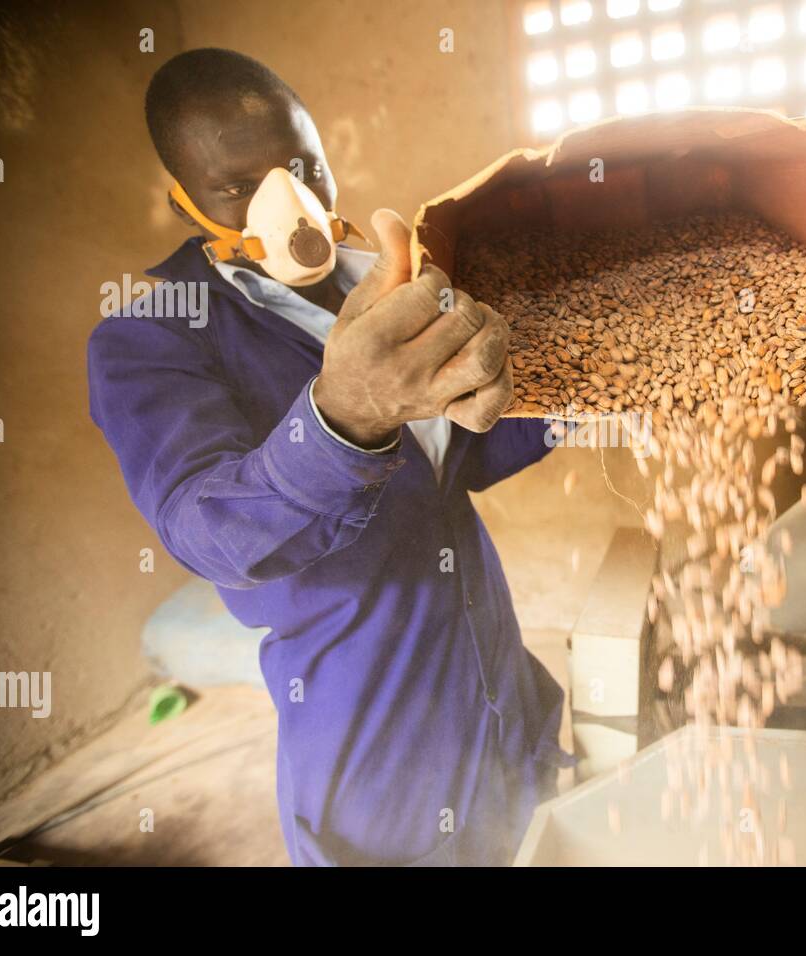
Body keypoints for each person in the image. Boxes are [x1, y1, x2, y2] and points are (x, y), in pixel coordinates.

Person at [88, 48, 569, 866]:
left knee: (532, 836)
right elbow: (214, 533)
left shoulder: (393, 283)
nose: (289, 200)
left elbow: (459, 458)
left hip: (492, 660)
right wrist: (346, 414)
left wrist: (588, 395)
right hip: (365, 700)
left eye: (302, 164)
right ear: (183, 201)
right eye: (235, 188)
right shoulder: (152, 335)